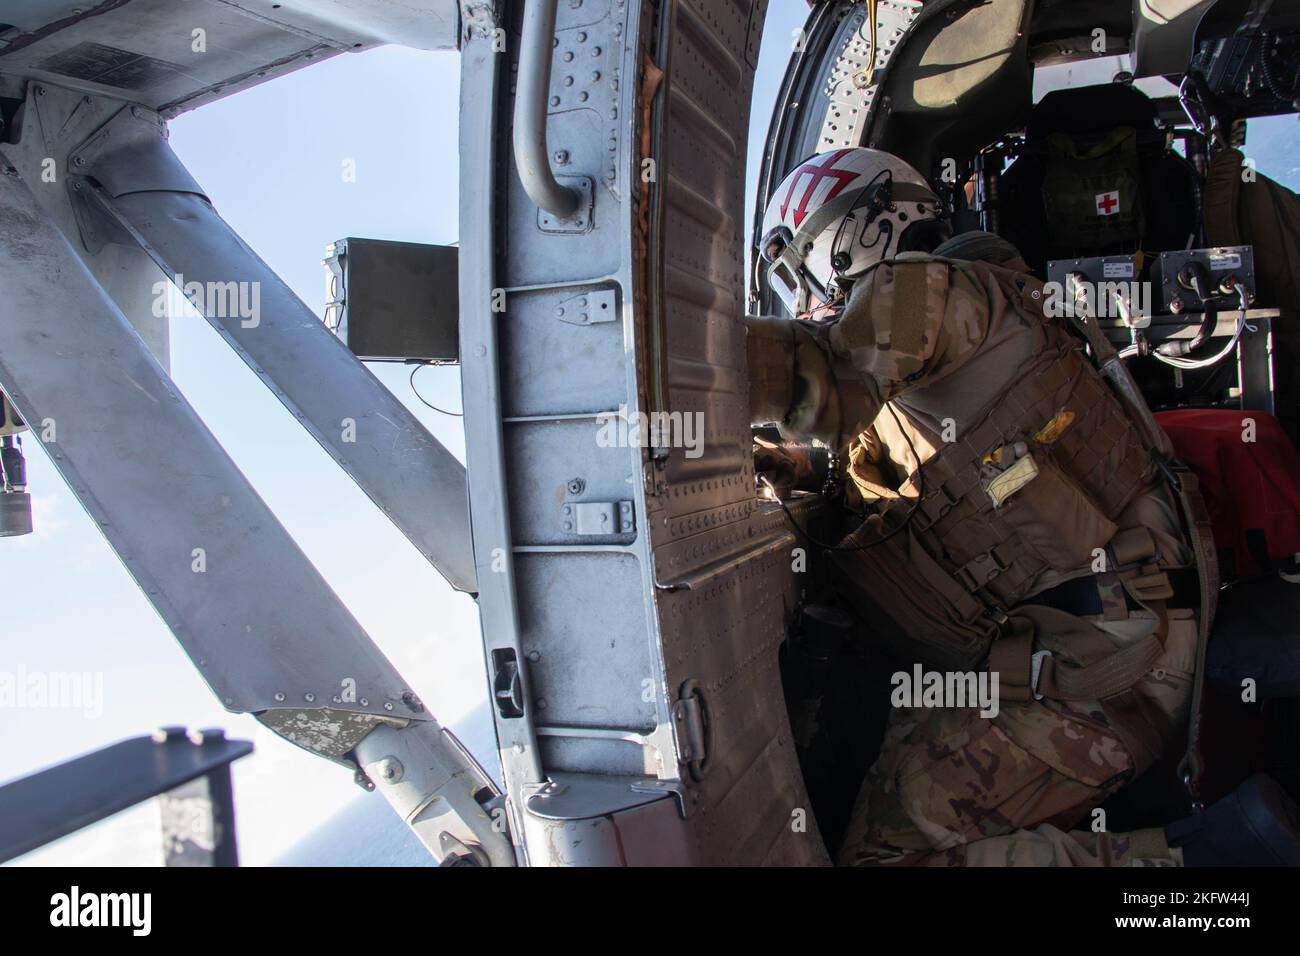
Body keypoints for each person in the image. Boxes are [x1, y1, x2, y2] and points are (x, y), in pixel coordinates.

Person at [749, 146, 1300, 866]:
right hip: (1096, 640)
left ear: (853, 233)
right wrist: (778, 466)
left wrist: (679, 371)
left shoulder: (920, 291)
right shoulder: (968, 320)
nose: (807, 304)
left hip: (1096, 670)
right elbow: (876, 480)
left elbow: (815, 381)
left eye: (799, 277)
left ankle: (1210, 866)